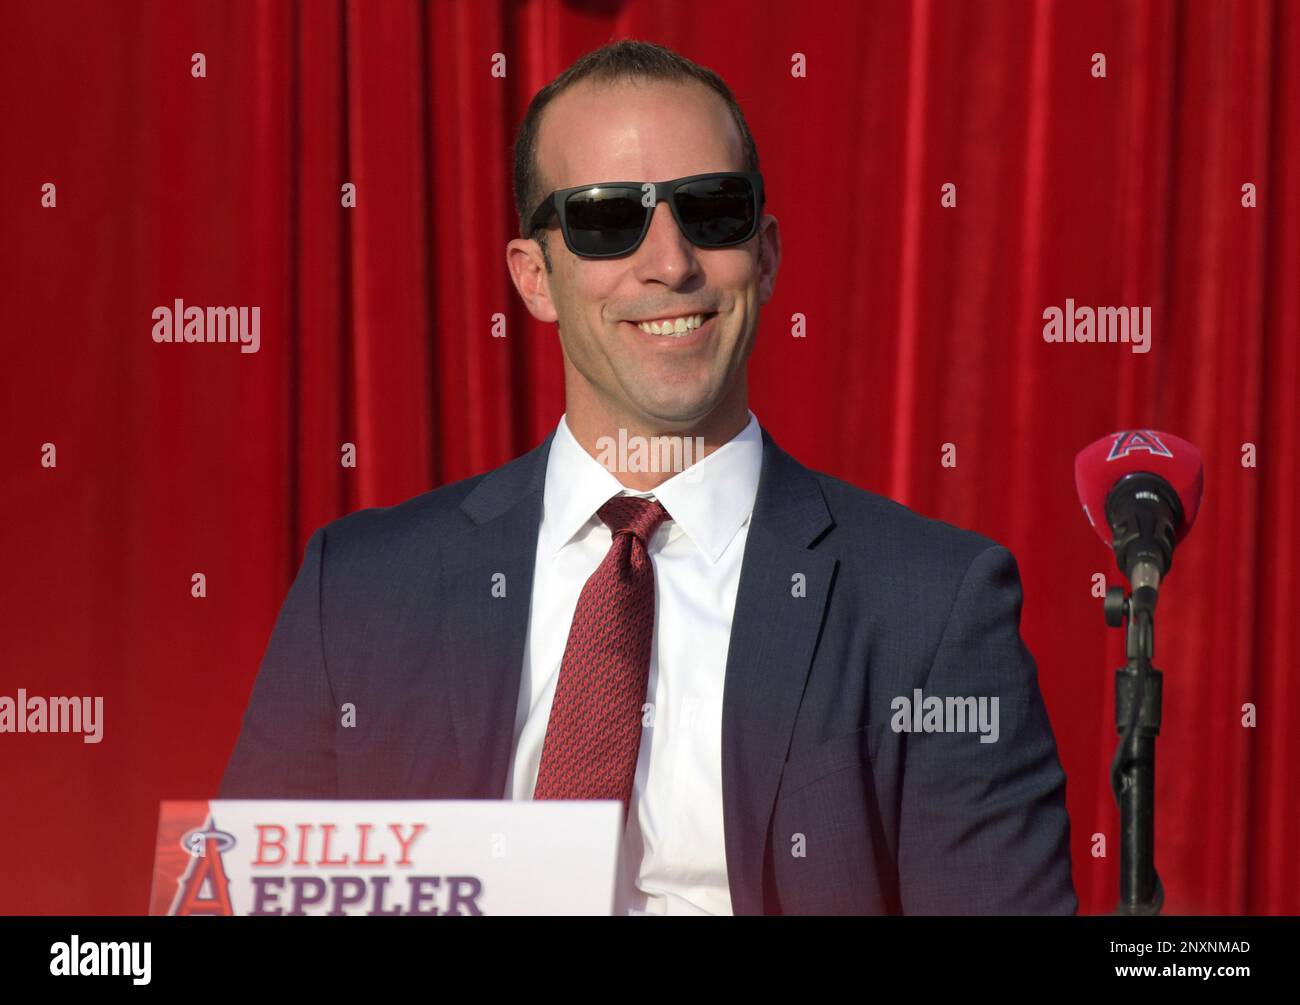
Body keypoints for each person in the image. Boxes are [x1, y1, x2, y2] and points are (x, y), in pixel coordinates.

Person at [220, 38, 1077, 916]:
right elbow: (240, 901)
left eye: (712, 210)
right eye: (605, 218)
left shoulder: (932, 606)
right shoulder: (357, 590)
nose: (671, 262)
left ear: (767, 255)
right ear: (534, 277)